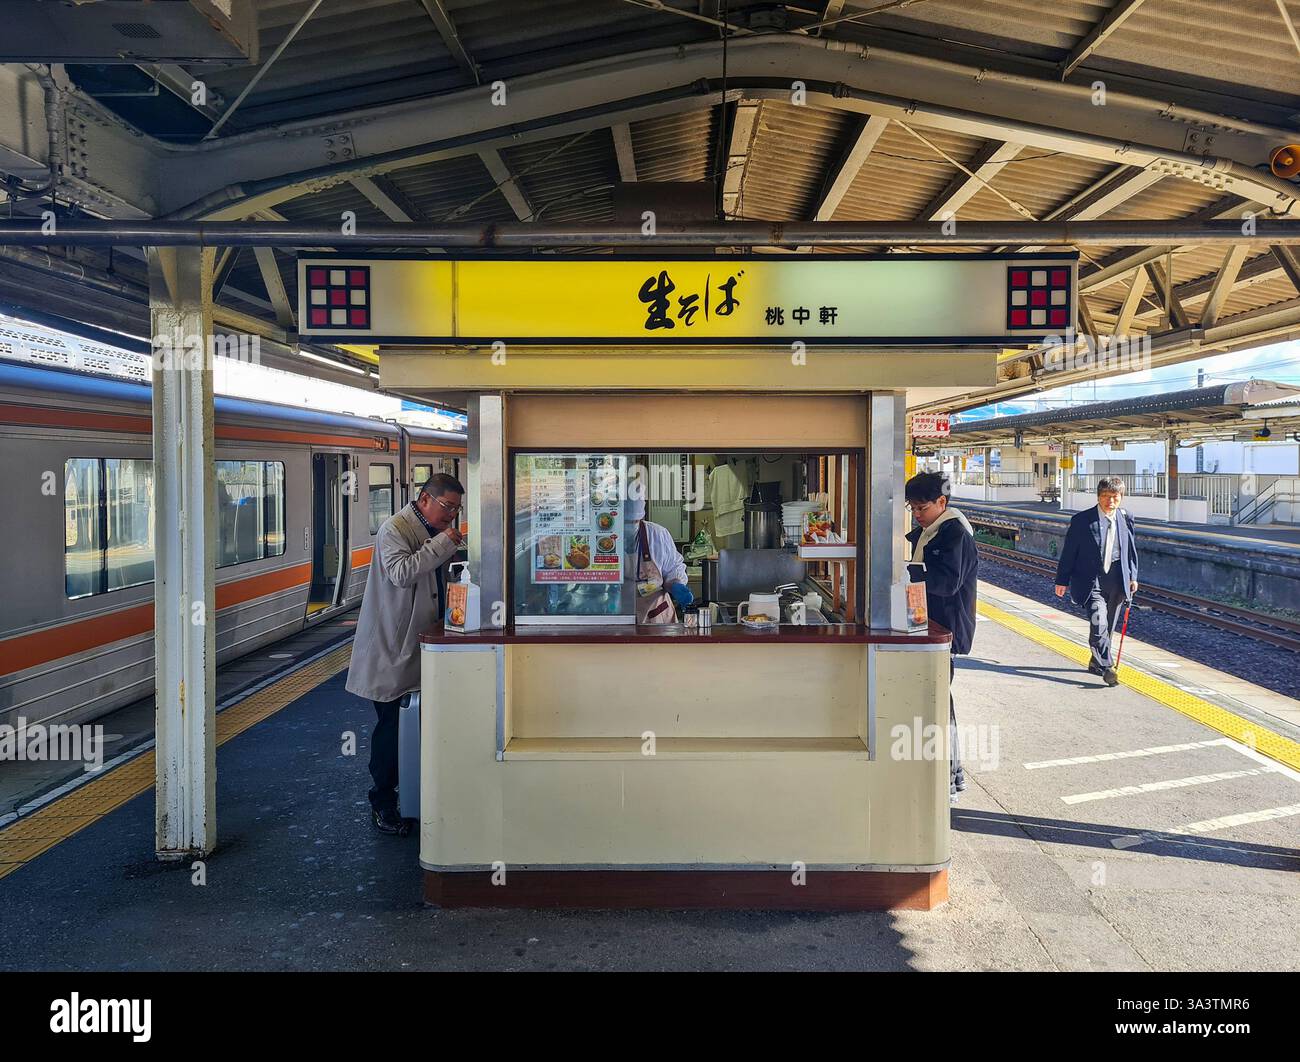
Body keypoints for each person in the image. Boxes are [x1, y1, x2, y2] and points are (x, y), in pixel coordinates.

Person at [346, 473, 465, 834]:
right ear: (425, 499)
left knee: (413, 727)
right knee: (390, 730)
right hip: (392, 650)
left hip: (417, 645)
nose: (451, 516)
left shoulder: (429, 527)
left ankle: (412, 795)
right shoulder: (394, 529)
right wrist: (445, 544)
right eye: (448, 507)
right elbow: (401, 573)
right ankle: (382, 802)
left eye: (456, 510)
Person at [904, 471, 978, 802]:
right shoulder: (931, 530)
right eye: (913, 508)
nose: (916, 515)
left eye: (921, 508)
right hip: (929, 624)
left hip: (944, 630)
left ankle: (949, 781)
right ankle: (949, 777)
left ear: (941, 503)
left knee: (939, 708)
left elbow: (946, 584)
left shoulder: (955, 534)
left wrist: (911, 573)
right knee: (938, 705)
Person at [1054, 476, 1139, 687]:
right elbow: (1069, 553)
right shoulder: (1082, 520)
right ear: (1098, 497)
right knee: (1099, 622)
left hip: (1117, 579)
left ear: (1121, 497)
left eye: (1115, 496)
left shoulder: (1126, 518)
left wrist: (1133, 576)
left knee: (1108, 625)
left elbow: (1130, 551)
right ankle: (1107, 667)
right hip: (1092, 581)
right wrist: (1061, 580)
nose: (1110, 501)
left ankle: (1095, 661)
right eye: (1105, 496)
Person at [625, 497, 694, 624]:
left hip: (657, 615)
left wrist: (676, 584)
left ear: (641, 517)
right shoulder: (604, 538)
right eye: (626, 521)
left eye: (635, 521)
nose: (631, 525)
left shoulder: (657, 534)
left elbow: (673, 567)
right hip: (618, 614)